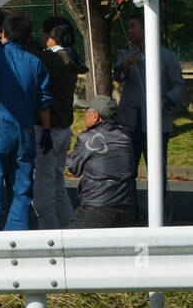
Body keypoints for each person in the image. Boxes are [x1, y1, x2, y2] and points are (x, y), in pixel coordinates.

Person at [0, 13, 52, 231]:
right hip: (25, 132)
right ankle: (16, 244)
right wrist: (46, 131)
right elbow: (44, 102)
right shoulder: (37, 63)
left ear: (4, 34)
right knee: (21, 192)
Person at [113, 13, 184, 222]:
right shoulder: (127, 54)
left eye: (133, 26)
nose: (130, 31)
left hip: (157, 123)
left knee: (156, 171)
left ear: (146, 28)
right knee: (127, 171)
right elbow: (117, 76)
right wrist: (126, 65)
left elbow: (179, 85)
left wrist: (166, 101)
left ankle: (158, 215)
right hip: (130, 122)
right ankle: (131, 215)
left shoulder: (165, 56)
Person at [28, 18, 86, 229]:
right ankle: (68, 231)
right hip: (63, 130)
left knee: (43, 191)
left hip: (48, 131)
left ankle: (50, 238)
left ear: (54, 36)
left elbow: (23, 52)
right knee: (57, 186)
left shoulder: (53, 60)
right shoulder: (70, 58)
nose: (43, 39)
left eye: (46, 35)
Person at [65, 96, 136, 228]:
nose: (85, 115)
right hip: (126, 202)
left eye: (87, 111)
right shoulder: (125, 136)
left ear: (95, 116)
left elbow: (73, 168)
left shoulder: (88, 137)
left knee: (74, 243)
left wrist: (66, 151)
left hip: (98, 203)